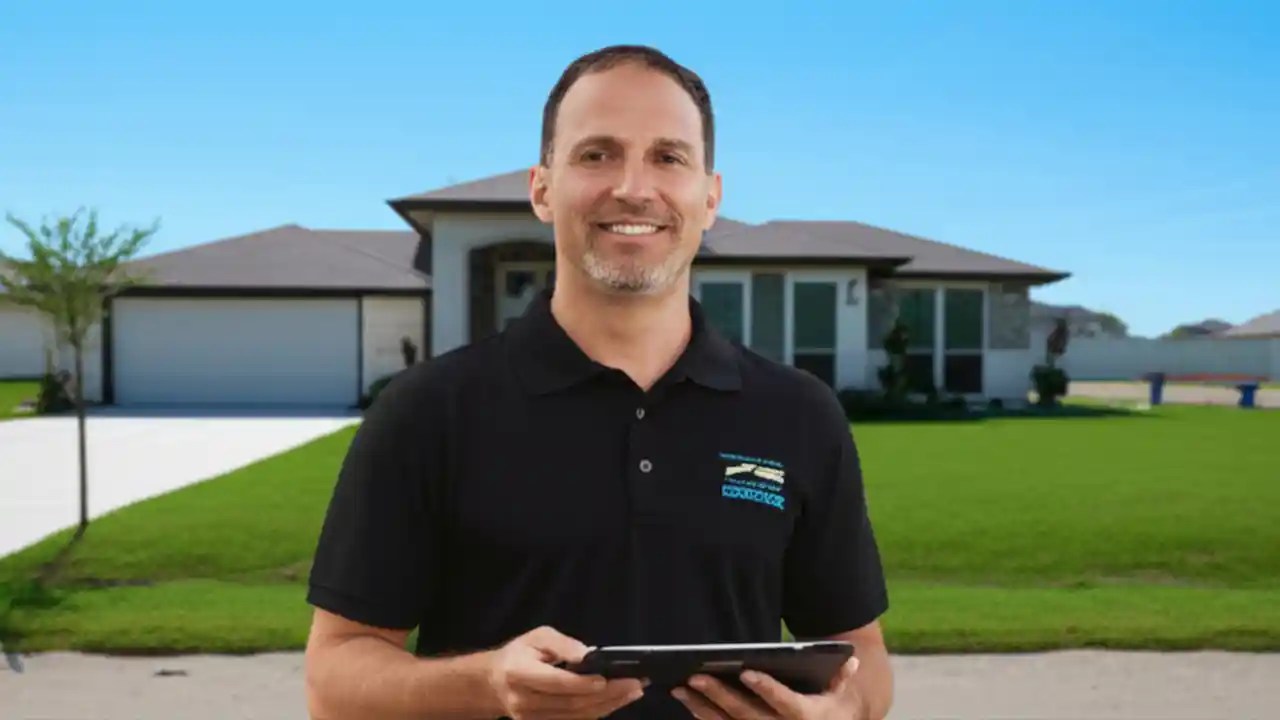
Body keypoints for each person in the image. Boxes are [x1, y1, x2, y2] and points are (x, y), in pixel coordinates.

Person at [304, 44, 894, 720]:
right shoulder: (427, 412)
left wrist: (843, 713)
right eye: (596, 154)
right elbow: (333, 680)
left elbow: (864, 657)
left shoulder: (799, 414)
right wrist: (488, 682)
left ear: (710, 197)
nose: (633, 188)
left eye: (668, 157)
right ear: (542, 188)